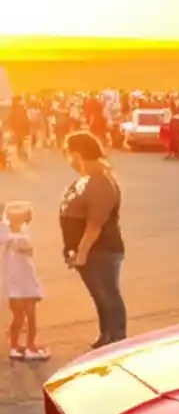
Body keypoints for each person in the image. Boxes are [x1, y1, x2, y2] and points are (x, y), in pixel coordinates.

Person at [59, 132, 127, 349]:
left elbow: (95, 224)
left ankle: (116, 341)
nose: (68, 159)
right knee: (100, 296)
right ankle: (106, 336)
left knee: (108, 296)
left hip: (101, 251)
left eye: (69, 154)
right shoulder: (86, 179)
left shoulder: (100, 182)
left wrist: (81, 252)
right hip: (89, 251)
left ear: (77, 154)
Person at [3, 201, 48, 360]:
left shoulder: (7, 236)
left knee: (18, 316)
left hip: (14, 284)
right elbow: (27, 247)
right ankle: (30, 347)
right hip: (25, 282)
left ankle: (15, 347)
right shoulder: (20, 238)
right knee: (30, 316)